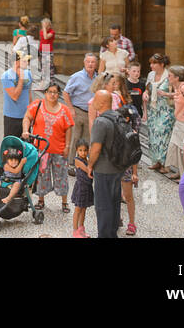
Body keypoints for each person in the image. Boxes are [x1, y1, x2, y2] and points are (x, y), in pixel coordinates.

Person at [24, 82, 73, 211]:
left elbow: (69, 128)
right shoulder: (37, 105)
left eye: (55, 92)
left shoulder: (64, 110)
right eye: (49, 92)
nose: (52, 95)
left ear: (59, 94)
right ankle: (41, 200)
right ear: (45, 93)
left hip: (59, 150)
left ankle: (64, 202)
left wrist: (68, 146)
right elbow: (27, 117)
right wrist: (25, 130)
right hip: (41, 149)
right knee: (41, 175)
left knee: (61, 175)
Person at [86, 89, 125, 238]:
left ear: (101, 103)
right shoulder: (119, 117)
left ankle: (104, 235)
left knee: (103, 205)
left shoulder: (100, 121)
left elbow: (96, 149)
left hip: (103, 169)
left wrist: (90, 165)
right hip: (117, 167)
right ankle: (112, 233)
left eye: (95, 98)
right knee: (115, 202)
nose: (92, 101)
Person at [63, 52, 99, 164]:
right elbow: (65, 92)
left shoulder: (98, 78)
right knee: (75, 138)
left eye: (93, 62)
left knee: (87, 139)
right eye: (88, 61)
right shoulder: (76, 77)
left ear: (96, 64)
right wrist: (71, 108)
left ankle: (82, 163)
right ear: (84, 63)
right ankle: (70, 163)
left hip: (91, 113)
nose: (90, 64)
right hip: (77, 111)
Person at [0, 144, 27, 210]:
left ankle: (9, 198)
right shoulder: (6, 166)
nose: (14, 162)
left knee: (17, 185)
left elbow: (20, 171)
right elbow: (16, 171)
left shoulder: (19, 165)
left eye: (16, 160)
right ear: (7, 160)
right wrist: (21, 163)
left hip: (15, 182)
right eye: (11, 160)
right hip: (5, 180)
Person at [1, 52, 32, 138]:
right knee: (12, 147)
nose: (28, 62)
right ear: (17, 62)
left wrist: (32, 112)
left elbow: (29, 93)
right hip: (12, 117)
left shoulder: (28, 73)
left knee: (27, 146)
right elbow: (15, 96)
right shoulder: (6, 76)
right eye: (25, 60)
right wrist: (21, 79)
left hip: (26, 117)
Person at [71, 142, 93, 237]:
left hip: (87, 187)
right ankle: (75, 231)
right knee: (78, 209)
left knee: (84, 209)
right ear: (77, 151)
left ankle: (81, 228)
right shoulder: (77, 160)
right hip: (81, 187)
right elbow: (88, 170)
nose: (83, 153)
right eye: (80, 150)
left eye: (85, 150)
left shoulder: (87, 160)